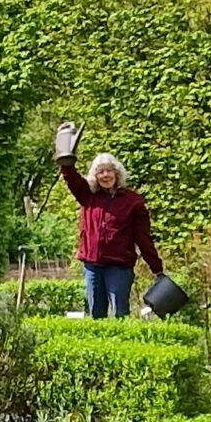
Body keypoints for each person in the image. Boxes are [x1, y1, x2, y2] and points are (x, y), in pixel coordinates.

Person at [55, 128, 166, 319]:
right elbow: (71, 177)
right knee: (95, 313)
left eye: (109, 171)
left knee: (119, 313)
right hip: (92, 264)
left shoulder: (133, 202)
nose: (105, 175)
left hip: (119, 266)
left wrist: (157, 268)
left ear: (117, 173)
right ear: (94, 176)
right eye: (100, 172)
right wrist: (65, 158)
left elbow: (143, 238)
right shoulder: (87, 195)